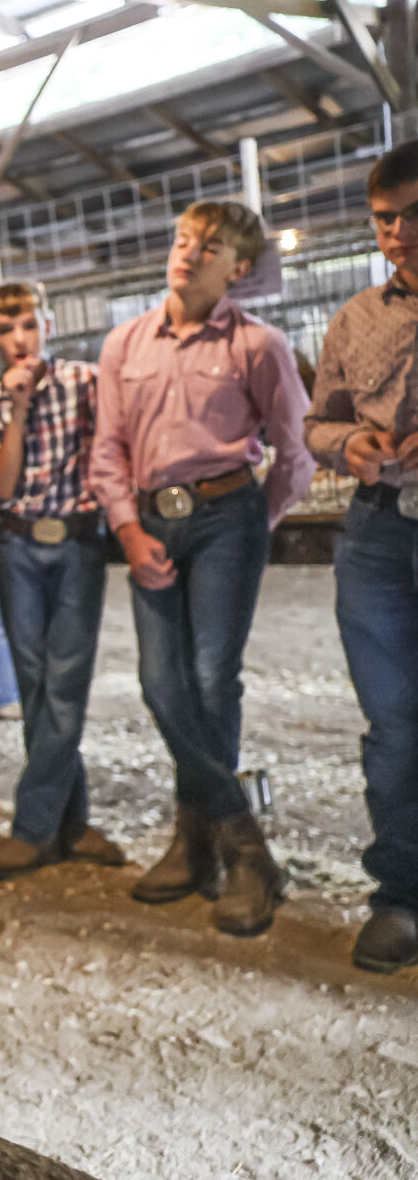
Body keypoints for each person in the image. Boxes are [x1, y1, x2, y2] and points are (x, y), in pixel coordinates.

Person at [89, 200, 316, 937]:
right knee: (161, 683)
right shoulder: (125, 343)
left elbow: (295, 449)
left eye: (207, 246)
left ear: (237, 268)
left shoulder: (258, 344)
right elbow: (108, 449)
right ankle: (237, 841)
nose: (187, 253)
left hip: (226, 517)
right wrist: (126, 527)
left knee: (213, 678)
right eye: (184, 239)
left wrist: (255, 525)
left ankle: (208, 852)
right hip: (151, 520)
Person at [0, 283, 124, 880]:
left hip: (80, 540)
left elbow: (112, 454)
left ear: (46, 324)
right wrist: (20, 405)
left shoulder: (87, 381)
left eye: (27, 325)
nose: (19, 339)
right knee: (35, 685)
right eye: (6, 330)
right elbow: (1, 486)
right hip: (19, 543)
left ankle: (31, 830)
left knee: (65, 682)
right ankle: (72, 824)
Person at [304, 139, 418, 973]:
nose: (398, 233)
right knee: (391, 718)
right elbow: (317, 423)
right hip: (377, 526)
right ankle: (400, 894)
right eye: (384, 218)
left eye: (414, 216)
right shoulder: (353, 319)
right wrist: (351, 443)